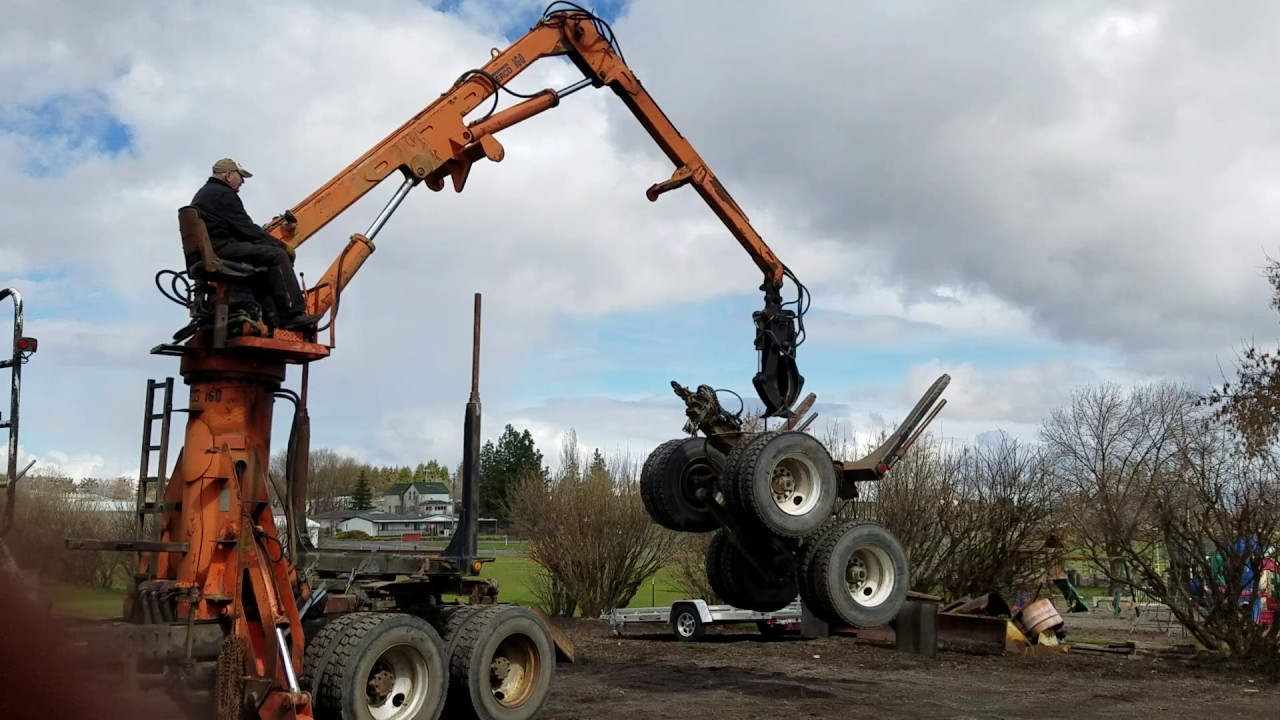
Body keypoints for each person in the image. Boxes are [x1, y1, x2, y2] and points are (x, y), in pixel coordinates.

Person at [190, 158, 321, 329]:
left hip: (214, 248)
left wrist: (263, 232)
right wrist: (282, 246)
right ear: (228, 176)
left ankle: (270, 320)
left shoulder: (206, 193)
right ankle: (292, 315)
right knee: (277, 256)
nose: (243, 181)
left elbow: (238, 228)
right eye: (240, 176)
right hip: (222, 248)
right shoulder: (224, 194)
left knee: (262, 262)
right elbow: (246, 230)